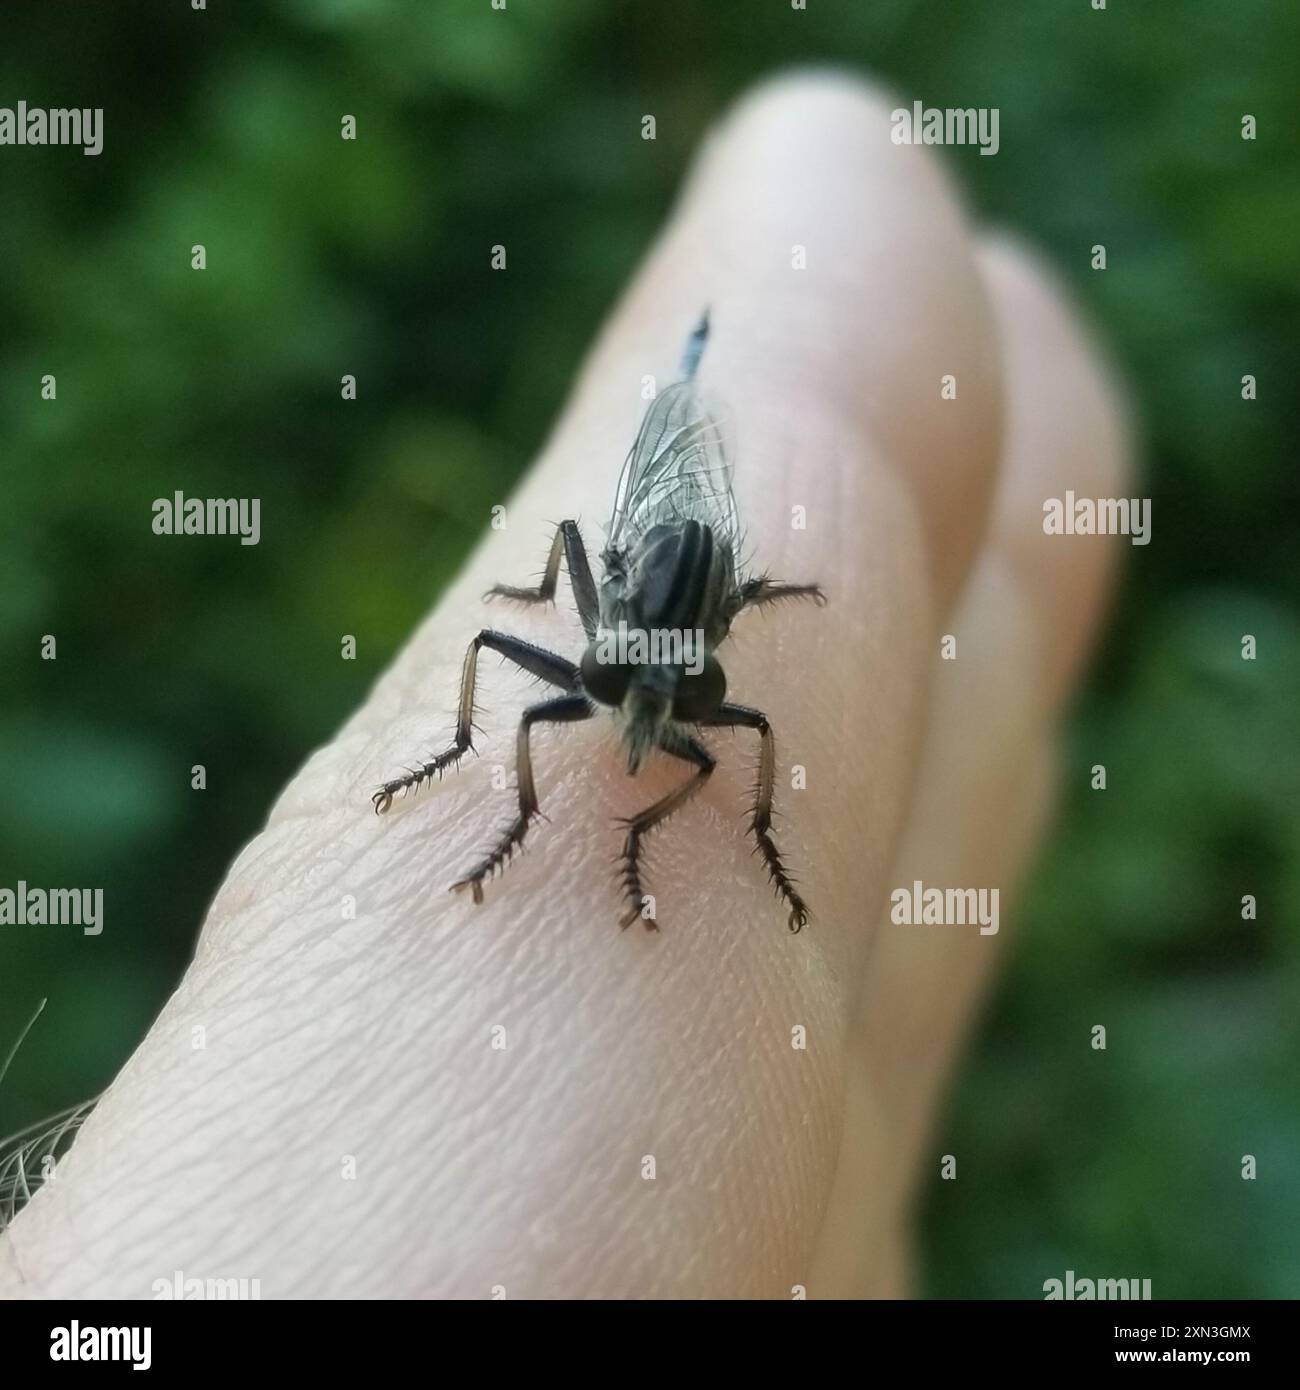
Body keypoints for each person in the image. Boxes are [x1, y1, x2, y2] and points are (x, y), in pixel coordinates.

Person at [0, 72, 1129, 1299]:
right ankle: (519, 772)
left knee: (733, 728)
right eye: (634, 683)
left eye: (669, 685)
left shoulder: (697, 686)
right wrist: (505, 792)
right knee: (521, 645)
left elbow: (722, 695)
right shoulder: (605, 658)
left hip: (697, 576)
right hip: (654, 551)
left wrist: (711, 785)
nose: (648, 716)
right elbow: (524, 646)